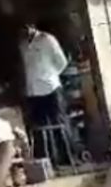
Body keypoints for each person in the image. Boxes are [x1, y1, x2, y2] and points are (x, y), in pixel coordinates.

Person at [19, 21, 76, 166]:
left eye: (26, 28)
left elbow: (61, 62)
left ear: (32, 26)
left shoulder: (47, 39)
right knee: (39, 128)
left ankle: (68, 159)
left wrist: (50, 75)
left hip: (50, 88)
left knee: (58, 125)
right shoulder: (22, 45)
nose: (24, 32)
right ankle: (47, 161)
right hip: (33, 92)